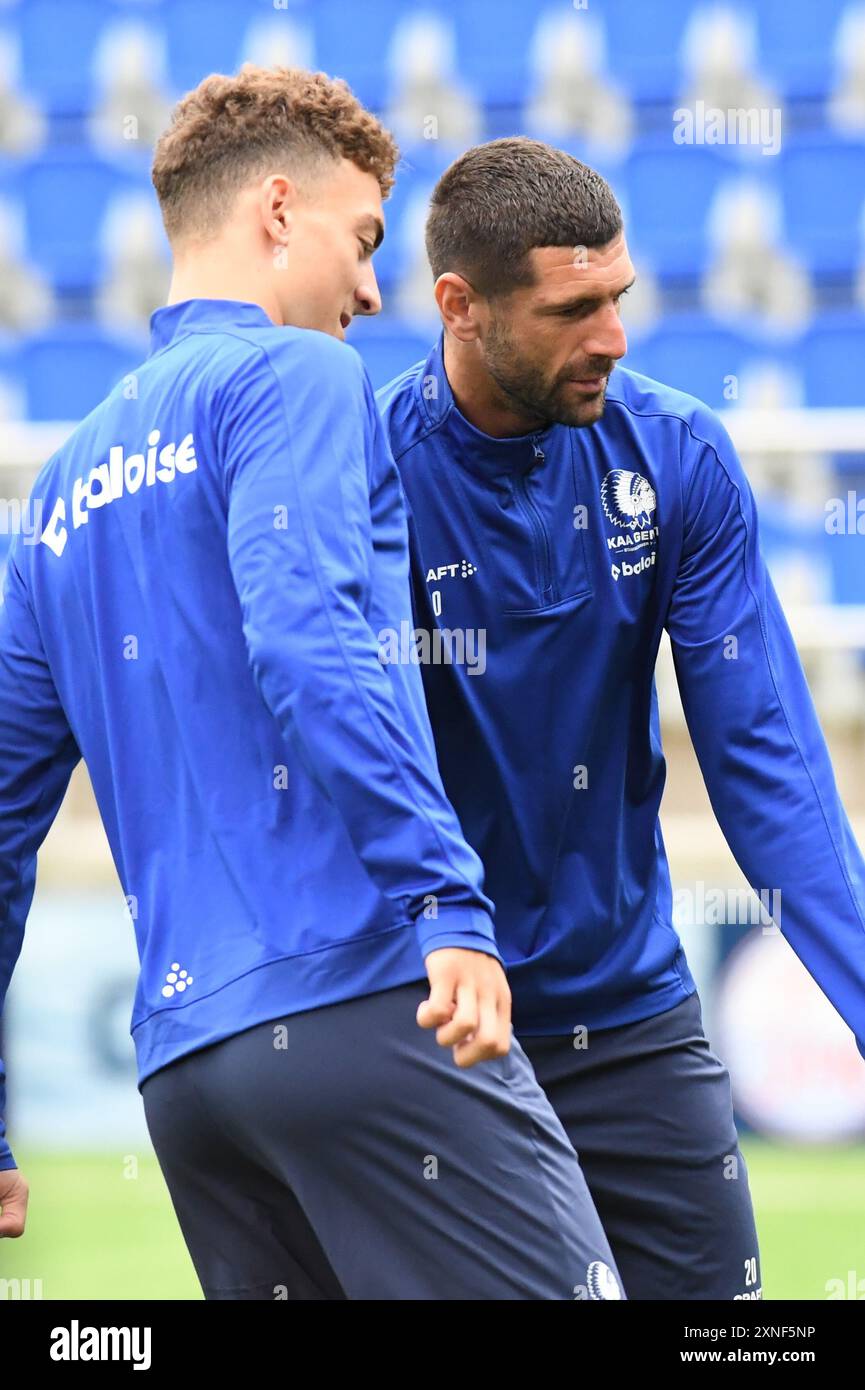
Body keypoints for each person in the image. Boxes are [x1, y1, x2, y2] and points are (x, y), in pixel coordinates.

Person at [0, 76, 623, 1301]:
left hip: (189, 1081)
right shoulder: (296, 379)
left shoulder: (57, 495)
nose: (371, 289)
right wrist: (444, 895)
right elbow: (311, 645)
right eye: (364, 239)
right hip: (366, 1002)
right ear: (280, 210)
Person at [377, 136, 865, 1301]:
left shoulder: (678, 454)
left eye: (620, 299)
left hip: (632, 1009)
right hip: (437, 1022)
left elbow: (763, 760)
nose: (614, 337)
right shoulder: (368, 473)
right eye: (572, 309)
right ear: (458, 305)